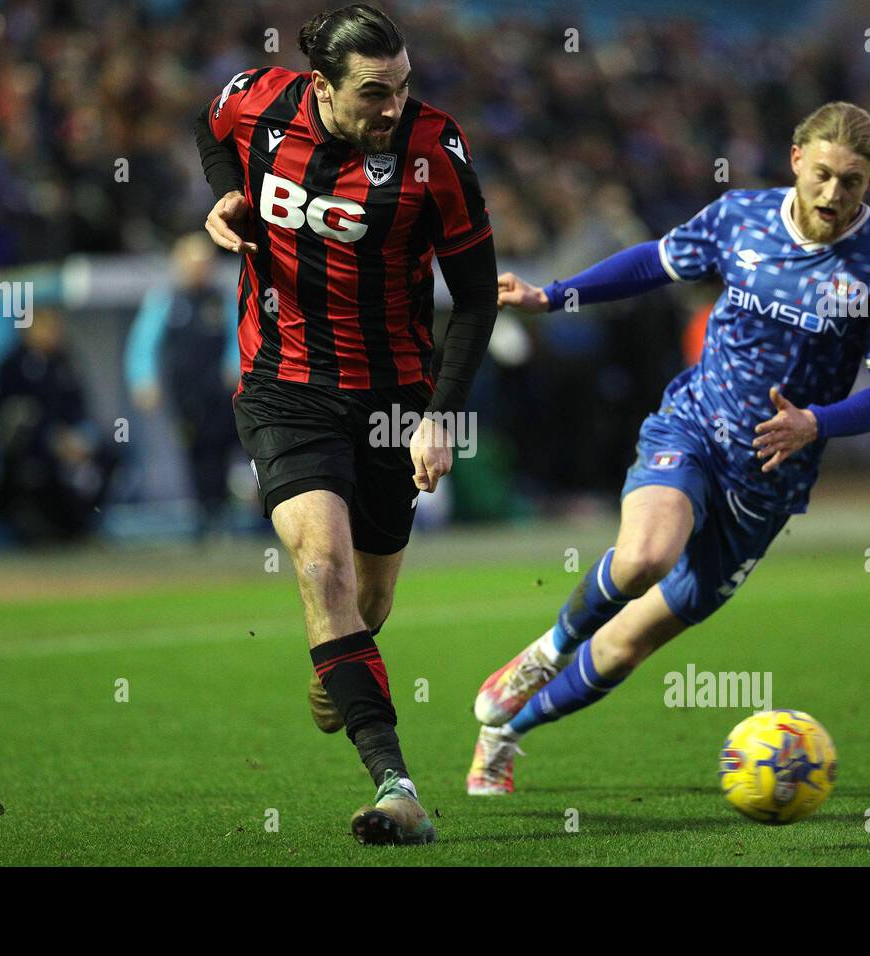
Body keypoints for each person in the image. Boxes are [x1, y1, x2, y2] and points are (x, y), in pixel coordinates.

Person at [466, 102, 870, 796]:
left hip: (770, 482)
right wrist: (554, 296)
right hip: (696, 426)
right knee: (645, 554)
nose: (833, 194)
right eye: (823, 174)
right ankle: (544, 653)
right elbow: (656, 261)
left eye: (852, 183)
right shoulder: (740, 217)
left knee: (626, 643)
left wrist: (816, 424)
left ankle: (504, 734)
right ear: (797, 160)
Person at [195, 3, 497, 843]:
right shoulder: (259, 100)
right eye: (372, 93)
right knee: (322, 567)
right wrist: (226, 191)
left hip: (394, 398)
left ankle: (342, 664)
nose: (391, 108)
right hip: (283, 384)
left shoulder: (435, 150)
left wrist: (439, 419)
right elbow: (210, 122)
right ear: (321, 86)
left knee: (366, 598)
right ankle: (396, 786)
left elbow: (473, 297)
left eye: (401, 89)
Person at [125, 233, 236, 536]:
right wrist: (143, 380)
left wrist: (235, 369)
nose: (198, 268)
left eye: (204, 262)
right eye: (192, 262)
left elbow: (240, 337)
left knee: (221, 450)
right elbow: (143, 343)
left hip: (222, 393)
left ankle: (221, 512)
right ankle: (204, 515)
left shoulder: (223, 298)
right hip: (185, 393)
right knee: (194, 450)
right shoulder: (166, 300)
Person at [0, 308, 117, 544]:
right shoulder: (11, 366)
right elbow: (12, 418)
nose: (53, 334)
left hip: (71, 440)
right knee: (38, 464)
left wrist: (81, 438)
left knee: (110, 453)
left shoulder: (65, 361)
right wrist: (53, 439)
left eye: (55, 327)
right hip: (33, 444)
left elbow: (80, 409)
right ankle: (45, 528)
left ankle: (84, 525)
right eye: (46, 327)